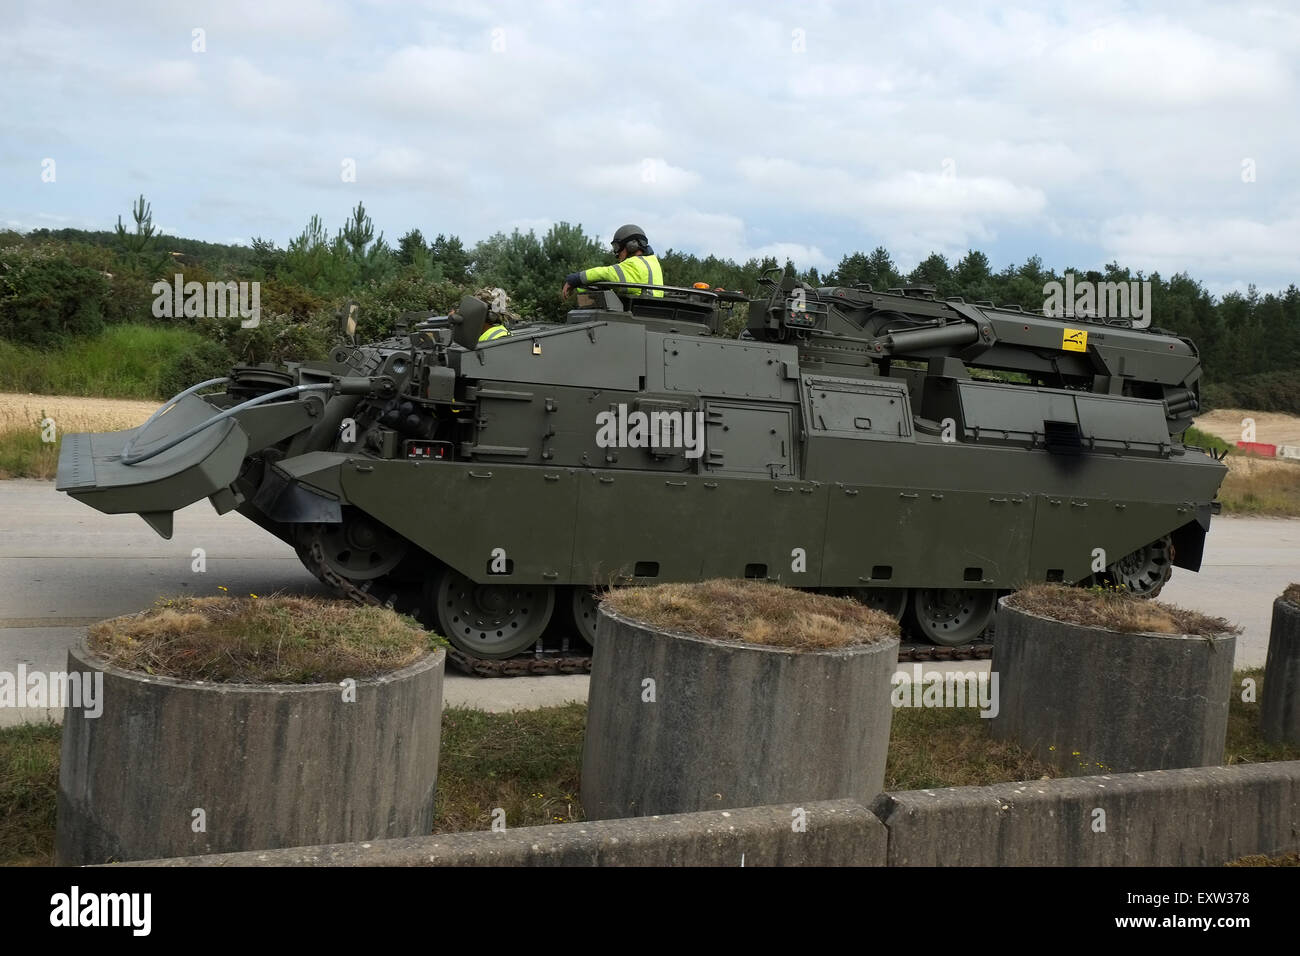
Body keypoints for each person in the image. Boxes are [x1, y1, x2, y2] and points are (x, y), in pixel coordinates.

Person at [561, 224, 664, 300]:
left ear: (631, 245)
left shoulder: (634, 264)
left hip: (635, 312)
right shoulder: (653, 263)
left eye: (617, 247)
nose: (616, 253)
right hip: (647, 310)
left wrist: (574, 279)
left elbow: (605, 273)